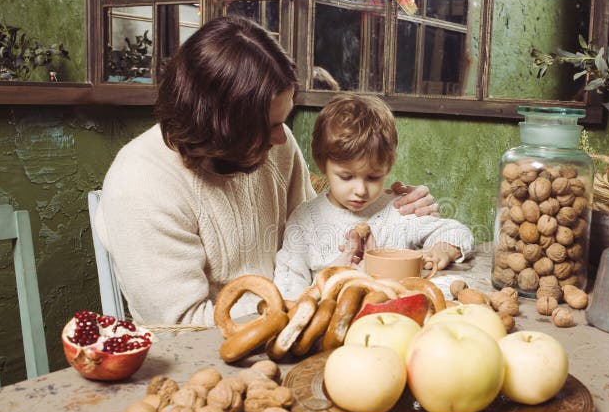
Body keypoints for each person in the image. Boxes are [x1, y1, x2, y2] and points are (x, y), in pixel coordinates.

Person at [96, 16, 438, 326]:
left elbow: (315, 238)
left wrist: (396, 215)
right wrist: (294, 302)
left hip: (292, 325)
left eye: (284, 120)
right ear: (220, 127)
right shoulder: (139, 184)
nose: (282, 137)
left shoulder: (277, 145)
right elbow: (185, 325)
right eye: (269, 126)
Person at [273, 93, 474, 300]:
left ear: (388, 167)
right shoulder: (305, 220)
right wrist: (333, 277)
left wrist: (443, 248)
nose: (361, 189)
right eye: (346, 176)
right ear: (322, 163)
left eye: (373, 177)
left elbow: (458, 231)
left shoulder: (397, 211)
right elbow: (288, 291)